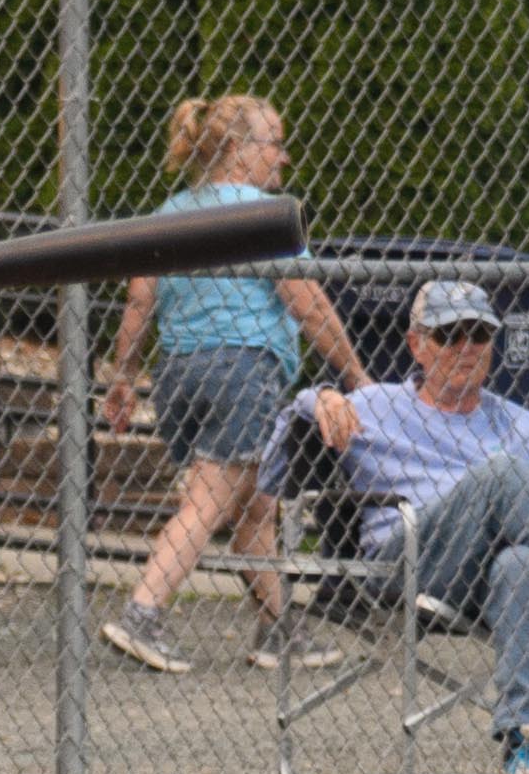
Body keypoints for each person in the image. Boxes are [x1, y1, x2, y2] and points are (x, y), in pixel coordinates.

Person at [259, 279, 529, 774]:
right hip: (406, 563)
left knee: (523, 565)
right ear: (417, 344)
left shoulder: (520, 423)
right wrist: (318, 399)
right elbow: (271, 474)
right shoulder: (374, 406)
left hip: (487, 577)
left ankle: (523, 749)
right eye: (450, 335)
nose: (467, 348)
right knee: (504, 473)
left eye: (480, 335)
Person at [97, 94, 369, 675]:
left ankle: (278, 629)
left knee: (256, 505)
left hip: (179, 375)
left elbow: (140, 298)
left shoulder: (170, 211)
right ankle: (143, 611)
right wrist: (354, 371)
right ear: (239, 151)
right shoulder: (263, 216)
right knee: (210, 500)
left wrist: (122, 376)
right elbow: (308, 304)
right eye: (274, 142)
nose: (284, 156)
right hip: (243, 371)